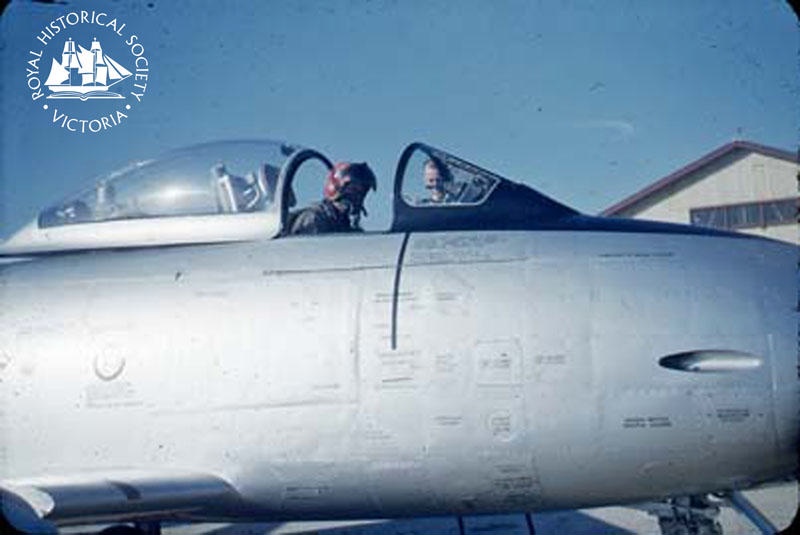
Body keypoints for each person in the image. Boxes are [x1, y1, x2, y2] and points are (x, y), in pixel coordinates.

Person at [287, 161, 377, 235]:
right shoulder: (314, 219)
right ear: (335, 187)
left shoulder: (348, 227)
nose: (356, 196)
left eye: (360, 192)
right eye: (352, 189)